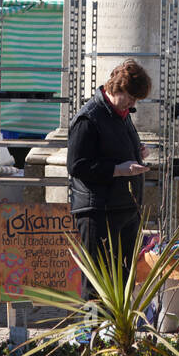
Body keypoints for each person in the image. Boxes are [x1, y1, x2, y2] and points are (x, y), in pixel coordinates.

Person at [67, 59, 152, 281]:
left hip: (125, 208)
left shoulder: (122, 115)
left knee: (123, 281)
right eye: (131, 97)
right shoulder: (89, 118)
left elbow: (113, 147)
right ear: (117, 87)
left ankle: (118, 318)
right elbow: (77, 165)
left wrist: (137, 151)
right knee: (99, 284)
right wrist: (118, 170)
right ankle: (95, 318)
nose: (132, 104)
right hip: (99, 212)